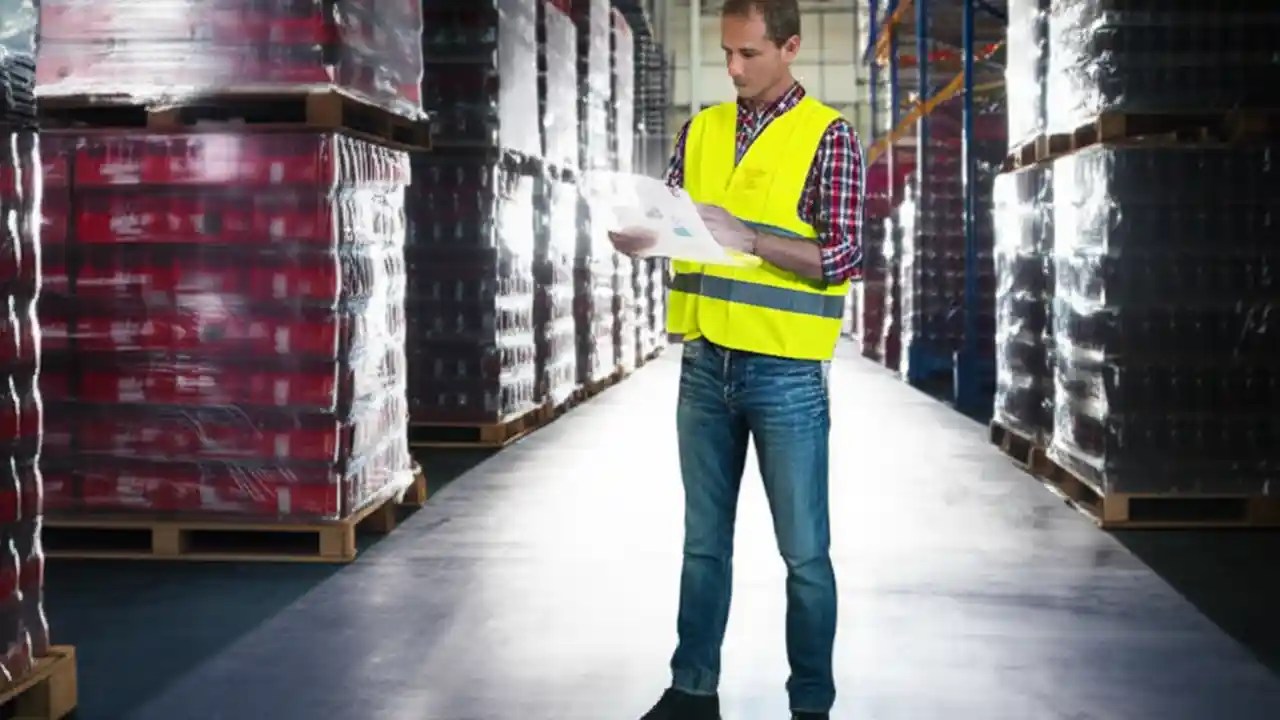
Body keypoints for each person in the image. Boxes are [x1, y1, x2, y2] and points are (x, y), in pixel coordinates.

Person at [610, 0, 864, 717]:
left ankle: (810, 703)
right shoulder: (701, 130)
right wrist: (643, 237)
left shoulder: (829, 137)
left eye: (749, 53)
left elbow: (844, 255)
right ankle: (692, 692)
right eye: (727, 52)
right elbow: (675, 222)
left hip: (785, 373)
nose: (733, 67)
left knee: (805, 555)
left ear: (790, 47)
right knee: (703, 546)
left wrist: (750, 238)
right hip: (704, 364)